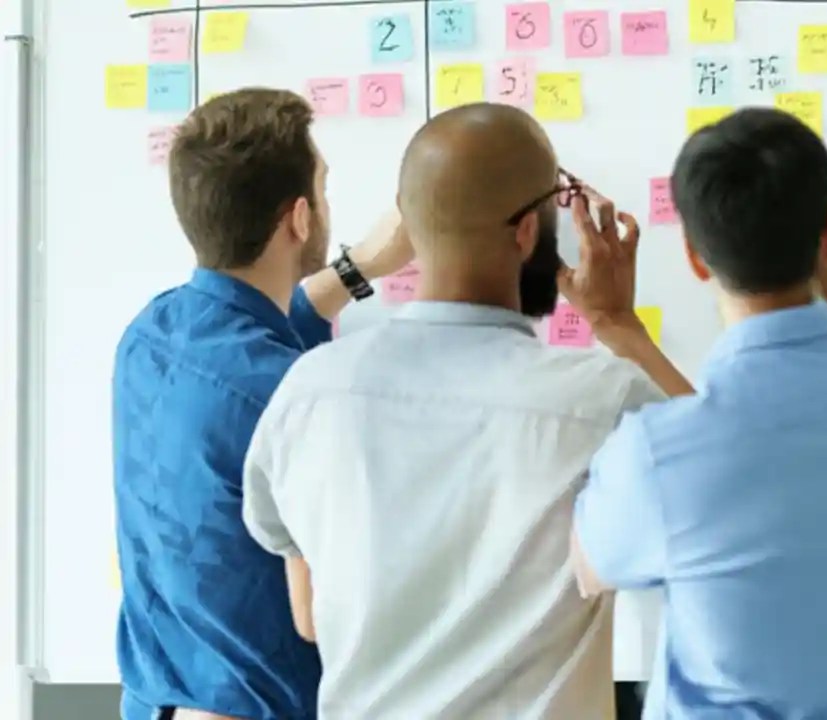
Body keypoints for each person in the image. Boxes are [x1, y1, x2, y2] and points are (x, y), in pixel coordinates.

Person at [240, 103, 693, 719]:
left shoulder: (310, 391)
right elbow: (737, 488)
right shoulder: (602, 399)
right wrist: (617, 325)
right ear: (528, 233)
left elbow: (310, 614)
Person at [572, 107, 827, 718]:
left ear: (694, 255)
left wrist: (621, 331)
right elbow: (799, 449)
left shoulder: (658, 455)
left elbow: (594, 567)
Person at [113, 88, 413, 720]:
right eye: (325, 189)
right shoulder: (298, 395)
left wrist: (360, 268)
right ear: (300, 217)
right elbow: (327, 610)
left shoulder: (149, 334)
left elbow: (257, 350)